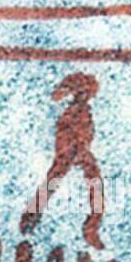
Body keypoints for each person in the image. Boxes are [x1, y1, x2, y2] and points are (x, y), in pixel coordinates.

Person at [20, 72, 106, 250]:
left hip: (78, 152)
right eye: (86, 92)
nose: (89, 95)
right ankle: (31, 215)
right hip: (71, 153)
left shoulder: (81, 112)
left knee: (92, 183)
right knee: (57, 181)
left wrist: (81, 151)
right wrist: (73, 153)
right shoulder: (73, 113)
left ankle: (91, 226)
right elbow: (66, 137)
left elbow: (85, 135)